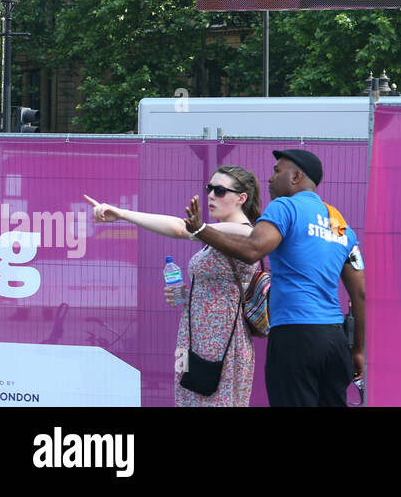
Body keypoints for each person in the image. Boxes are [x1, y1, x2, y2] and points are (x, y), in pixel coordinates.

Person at [183, 149, 365, 407]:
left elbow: (253, 250)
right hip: (335, 342)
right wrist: (358, 350)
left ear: (296, 177)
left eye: (277, 171)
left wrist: (201, 229)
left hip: (295, 337)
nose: (269, 179)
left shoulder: (285, 207)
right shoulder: (340, 224)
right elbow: (361, 293)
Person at [84, 166, 261, 407]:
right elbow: (220, 287)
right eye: (210, 188)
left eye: (220, 191)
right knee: (189, 398)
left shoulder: (243, 231)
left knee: (216, 400)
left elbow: (181, 228)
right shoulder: (214, 235)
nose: (210, 195)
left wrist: (123, 214)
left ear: (242, 198)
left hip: (221, 340)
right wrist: (186, 295)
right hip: (194, 336)